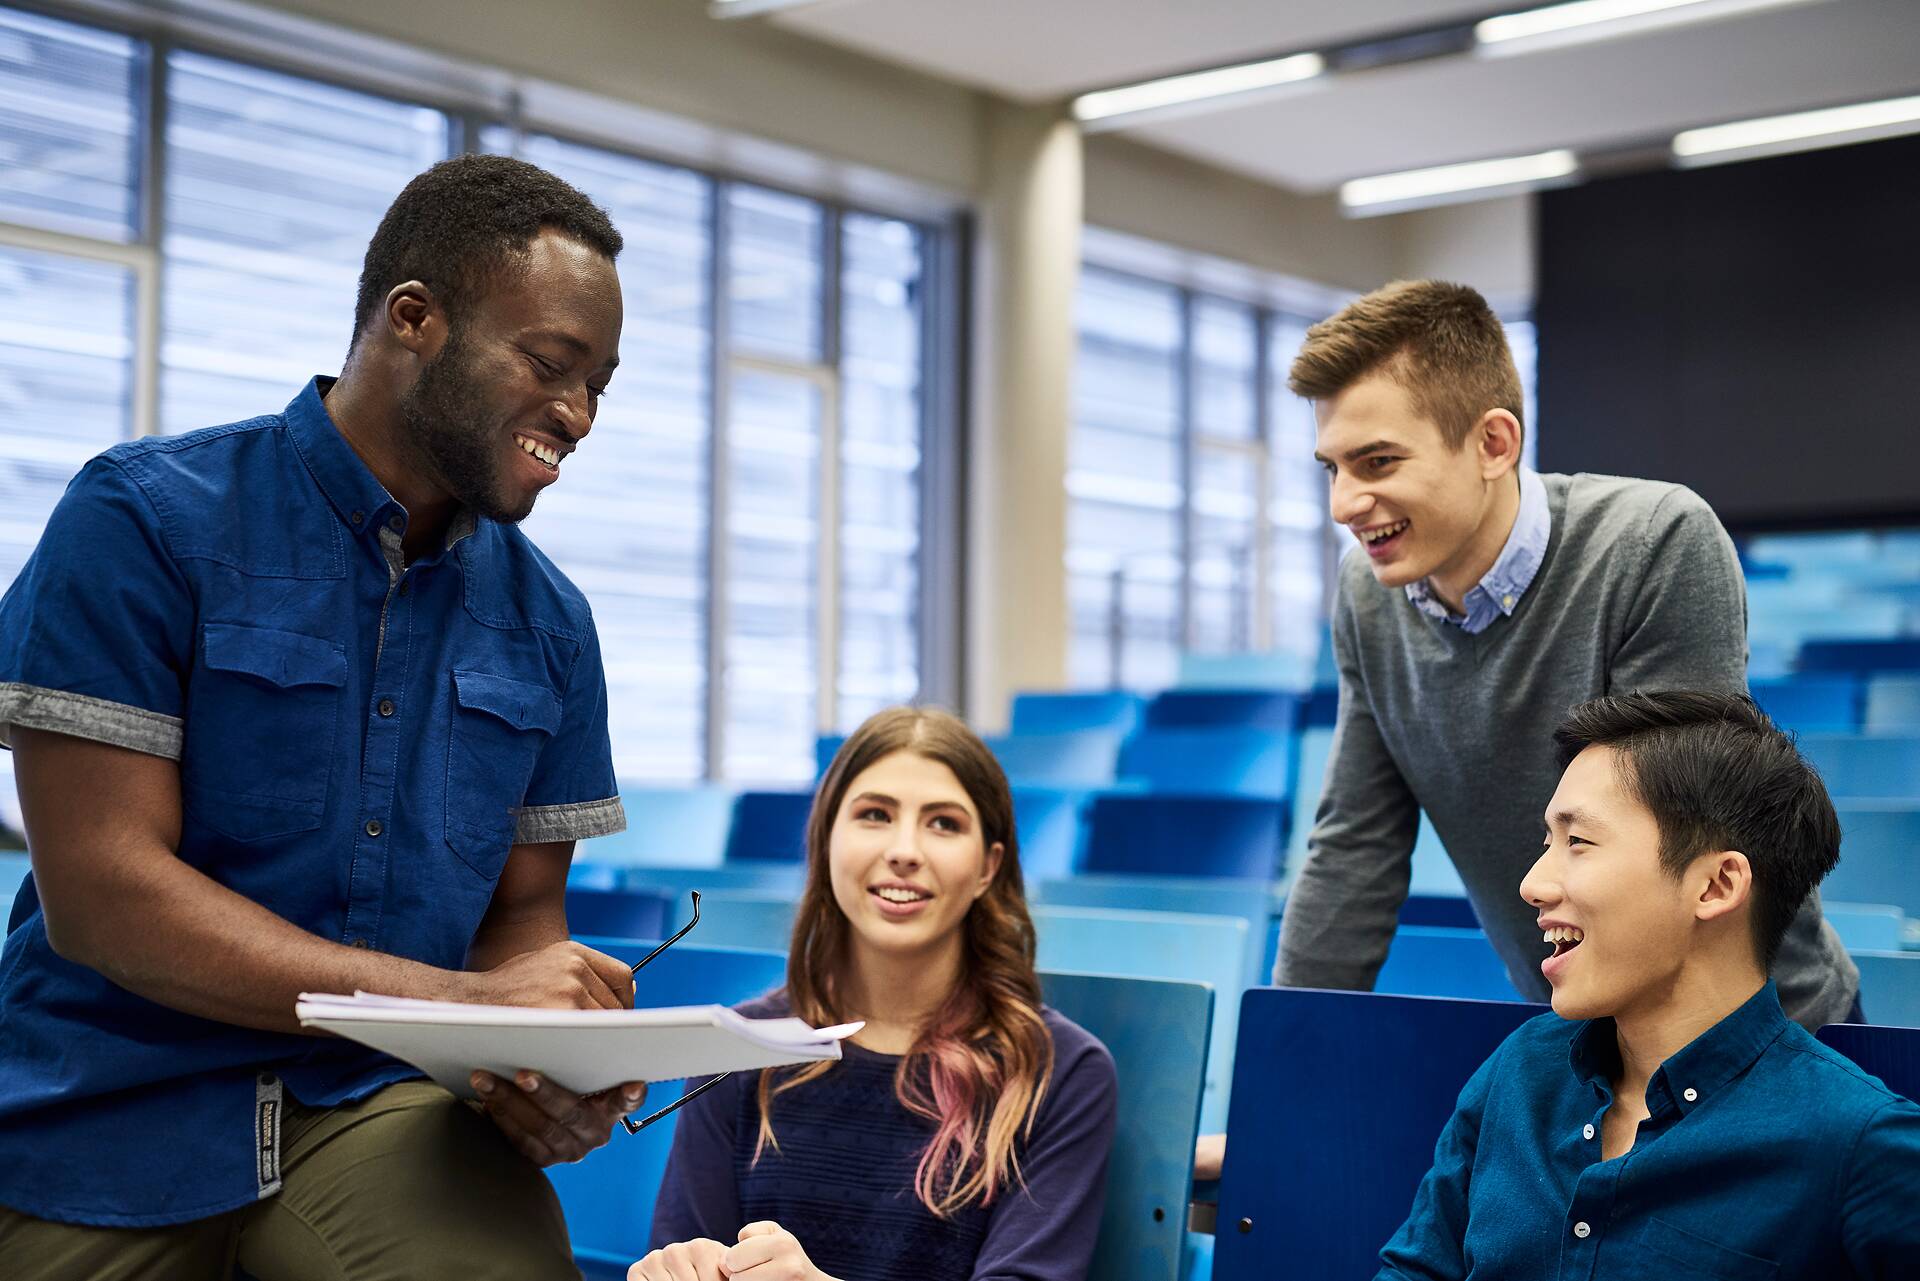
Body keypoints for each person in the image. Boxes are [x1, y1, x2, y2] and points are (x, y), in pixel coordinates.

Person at [0, 155, 646, 1278]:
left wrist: (539, 1067)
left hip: (373, 1112)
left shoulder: (551, 625)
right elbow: (104, 899)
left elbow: (523, 919)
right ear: (414, 319)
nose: (579, 415)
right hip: (100, 1106)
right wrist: (466, 1005)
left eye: (601, 384)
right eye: (551, 365)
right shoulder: (144, 519)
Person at [1193, 280, 1857, 1182]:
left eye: (1378, 461)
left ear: (1493, 443)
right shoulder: (1367, 598)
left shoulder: (1655, 542)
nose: (1346, 502)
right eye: (1332, 468)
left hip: (1766, 1042)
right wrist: (1269, 1102)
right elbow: (1352, 851)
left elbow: (1679, 857)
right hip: (1589, 1049)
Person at [1377, 691, 1920, 1279]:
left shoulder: (1859, 1145)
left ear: (1715, 885)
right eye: (1546, 844)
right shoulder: (1519, 1072)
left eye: (1578, 842)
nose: (1533, 884)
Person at [634, 707, 1118, 1281]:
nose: (905, 850)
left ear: (988, 867)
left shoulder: (1062, 1072)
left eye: (943, 824)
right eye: (874, 815)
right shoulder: (738, 1049)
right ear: (826, 841)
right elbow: (686, 1248)